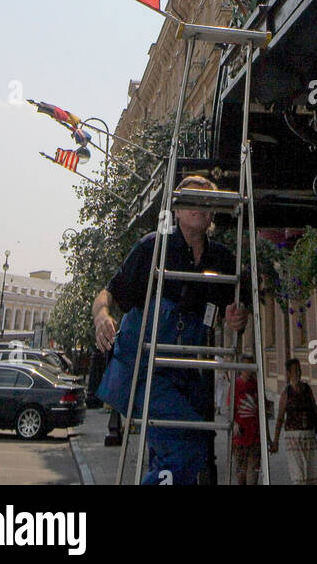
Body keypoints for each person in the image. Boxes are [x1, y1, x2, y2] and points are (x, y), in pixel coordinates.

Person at [92, 174, 249, 485]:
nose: (200, 206)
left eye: (208, 201)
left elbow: (236, 310)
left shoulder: (222, 258)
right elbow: (109, 292)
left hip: (188, 373)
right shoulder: (153, 248)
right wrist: (101, 316)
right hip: (144, 367)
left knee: (172, 452)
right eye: (191, 199)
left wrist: (237, 318)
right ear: (176, 211)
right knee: (188, 444)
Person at [270, 357, 317, 485]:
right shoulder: (286, 393)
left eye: (299, 370)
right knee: (299, 475)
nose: (298, 373)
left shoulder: (307, 389)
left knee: (312, 473)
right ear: (289, 373)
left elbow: (314, 409)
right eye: (295, 370)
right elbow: (280, 418)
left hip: (309, 436)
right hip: (293, 437)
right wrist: (275, 441)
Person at [232, 355, 261, 486]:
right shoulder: (236, 385)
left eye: (251, 367)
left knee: (252, 475)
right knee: (241, 474)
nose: (249, 371)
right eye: (246, 367)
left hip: (255, 437)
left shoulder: (257, 385)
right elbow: (230, 408)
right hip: (240, 437)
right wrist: (234, 424)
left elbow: (262, 410)